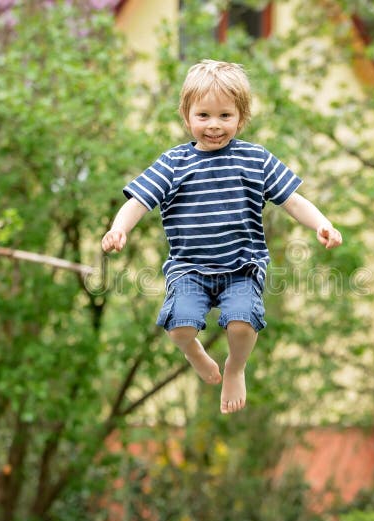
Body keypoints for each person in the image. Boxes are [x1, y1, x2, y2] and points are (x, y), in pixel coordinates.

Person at [102, 59, 342, 414]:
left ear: (240, 118)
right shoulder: (173, 164)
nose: (214, 125)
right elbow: (139, 202)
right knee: (180, 328)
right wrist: (118, 228)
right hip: (189, 270)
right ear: (187, 116)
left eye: (224, 116)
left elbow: (292, 200)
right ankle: (194, 353)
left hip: (241, 267)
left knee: (243, 324)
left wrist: (322, 224)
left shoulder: (255, 159)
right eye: (203, 116)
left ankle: (235, 367)